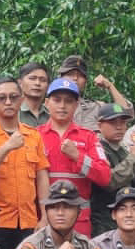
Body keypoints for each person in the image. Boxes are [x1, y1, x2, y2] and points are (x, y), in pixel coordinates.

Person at [0, 77, 51, 249]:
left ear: (21, 100)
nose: (8, 102)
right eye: (2, 98)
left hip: (29, 222)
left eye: (13, 97)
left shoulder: (33, 135)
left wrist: (44, 216)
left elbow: (42, 177)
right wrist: (7, 147)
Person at [38, 77, 112, 235]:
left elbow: (105, 177)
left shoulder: (89, 137)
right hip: (44, 218)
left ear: (77, 105)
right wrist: (42, 215)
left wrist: (78, 156)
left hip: (79, 220)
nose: (62, 106)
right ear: (46, 103)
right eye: (57, 100)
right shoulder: (34, 136)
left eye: (69, 101)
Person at [91, 102, 135, 234]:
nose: (119, 127)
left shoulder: (123, 149)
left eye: (122, 122)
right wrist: (134, 157)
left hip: (126, 215)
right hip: (104, 218)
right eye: (113, 122)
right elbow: (109, 181)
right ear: (100, 125)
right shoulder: (96, 148)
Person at [55, 54, 131, 130]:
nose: (75, 78)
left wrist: (110, 86)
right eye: (70, 74)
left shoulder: (96, 108)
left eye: (80, 75)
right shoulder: (49, 108)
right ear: (60, 78)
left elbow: (126, 113)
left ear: (85, 82)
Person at [16, 60, 51, 128]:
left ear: (48, 86)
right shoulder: (12, 112)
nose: (37, 83)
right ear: (20, 83)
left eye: (43, 80)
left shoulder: (51, 114)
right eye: (32, 78)